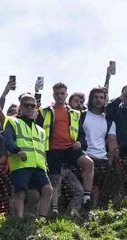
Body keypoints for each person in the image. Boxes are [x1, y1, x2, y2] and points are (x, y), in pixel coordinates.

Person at [40, 82, 95, 214]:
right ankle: (54, 209)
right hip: (53, 149)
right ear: (53, 94)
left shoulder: (74, 113)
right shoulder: (45, 111)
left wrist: (80, 142)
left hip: (70, 148)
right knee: (55, 180)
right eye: (57, 93)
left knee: (89, 163)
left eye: (62, 93)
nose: (59, 96)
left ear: (66, 94)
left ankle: (87, 196)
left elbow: (81, 133)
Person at [2, 93, 53, 219]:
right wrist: (17, 151)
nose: (30, 108)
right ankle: (18, 220)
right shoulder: (13, 122)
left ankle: (42, 219)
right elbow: (8, 141)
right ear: (21, 107)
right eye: (27, 105)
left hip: (39, 166)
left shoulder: (40, 130)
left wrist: (45, 164)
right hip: (21, 164)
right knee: (20, 193)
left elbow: (43, 149)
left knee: (48, 190)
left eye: (33, 106)